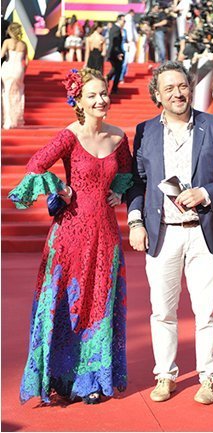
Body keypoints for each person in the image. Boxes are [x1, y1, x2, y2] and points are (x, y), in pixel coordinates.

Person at [9, 67, 133, 405]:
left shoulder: (119, 137)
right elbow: (36, 165)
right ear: (78, 101)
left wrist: (119, 192)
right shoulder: (69, 135)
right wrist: (60, 187)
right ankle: (60, 376)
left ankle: (92, 379)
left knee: (98, 303)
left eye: (103, 93)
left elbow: (127, 173)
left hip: (105, 234)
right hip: (69, 235)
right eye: (92, 95)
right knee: (66, 304)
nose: (100, 100)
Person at [125, 61, 213, 404]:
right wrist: (135, 221)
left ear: (190, 88)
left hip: (204, 232)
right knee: (162, 311)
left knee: (207, 311)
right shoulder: (145, 131)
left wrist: (205, 192)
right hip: (162, 233)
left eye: (182, 86)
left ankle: (209, 377)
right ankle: (165, 375)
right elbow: (137, 182)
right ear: (157, 95)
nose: (177, 93)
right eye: (169, 88)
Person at [1, 22, 27, 129]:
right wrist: (23, 72)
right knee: (19, 93)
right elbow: (26, 62)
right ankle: (18, 120)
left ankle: (8, 121)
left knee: (6, 93)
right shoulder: (24, 44)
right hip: (19, 69)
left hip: (7, 68)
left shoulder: (7, 42)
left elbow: (1, 55)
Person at [106, 14, 125, 94]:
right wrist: (118, 53)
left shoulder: (115, 28)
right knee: (118, 69)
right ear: (119, 20)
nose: (124, 22)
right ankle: (114, 88)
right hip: (115, 53)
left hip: (114, 52)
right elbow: (115, 43)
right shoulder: (116, 29)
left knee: (115, 69)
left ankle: (108, 80)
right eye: (124, 21)